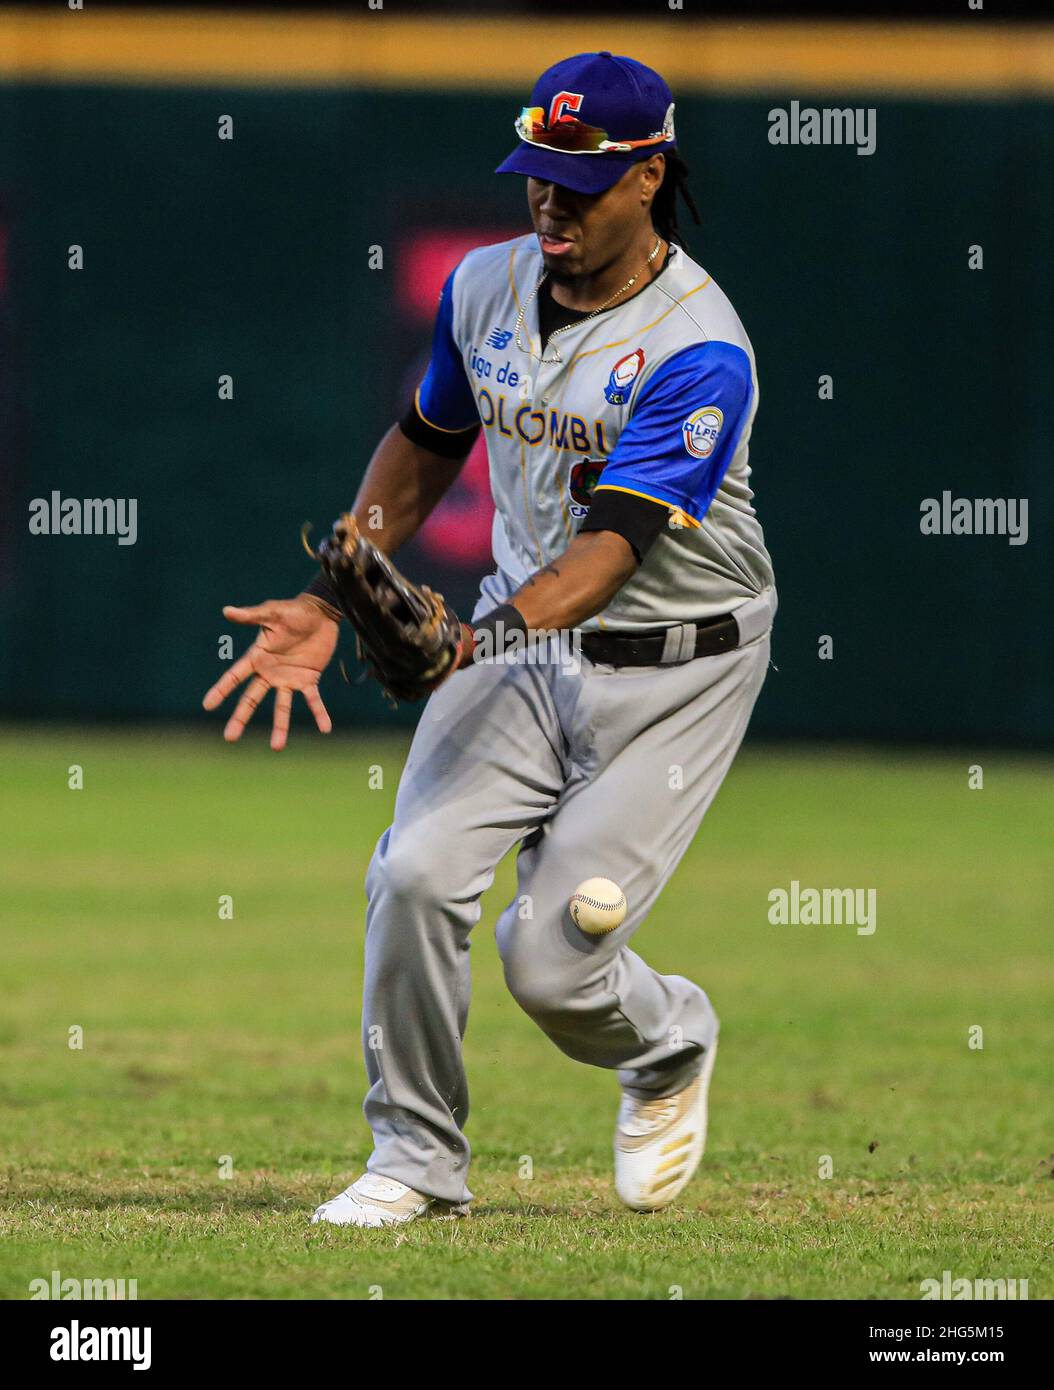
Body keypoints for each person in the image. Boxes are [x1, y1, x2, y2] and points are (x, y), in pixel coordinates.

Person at [203, 51, 776, 1228]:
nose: (549, 200)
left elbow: (609, 555)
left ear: (648, 177)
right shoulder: (483, 286)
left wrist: (474, 638)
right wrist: (325, 597)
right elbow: (423, 446)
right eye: (537, 173)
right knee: (411, 873)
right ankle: (415, 1156)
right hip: (521, 644)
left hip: (679, 663)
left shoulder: (696, 347)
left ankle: (666, 1038)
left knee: (553, 967)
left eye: (580, 180)